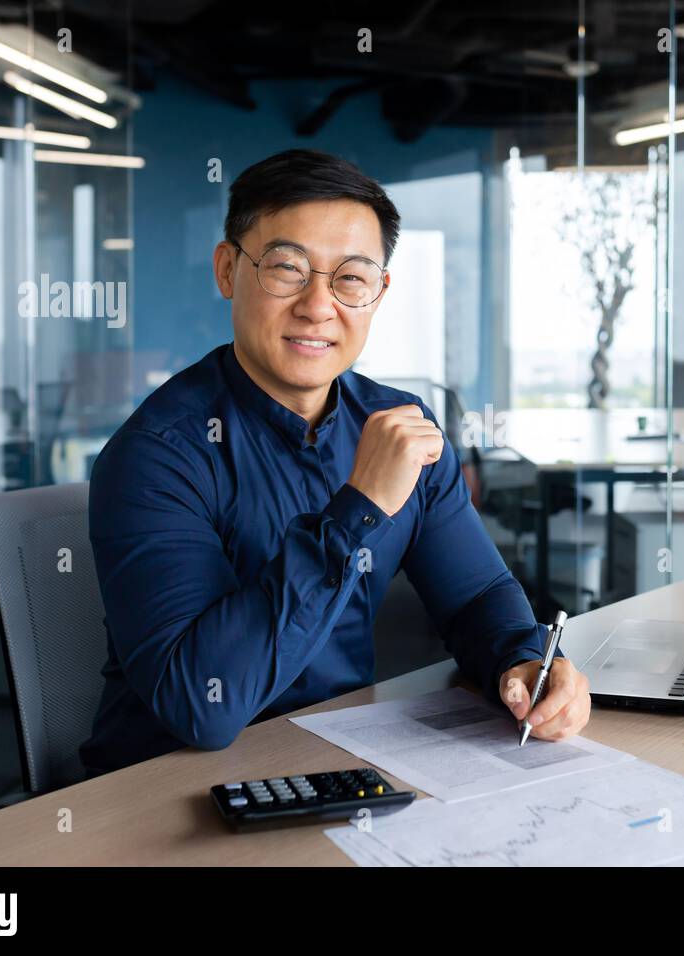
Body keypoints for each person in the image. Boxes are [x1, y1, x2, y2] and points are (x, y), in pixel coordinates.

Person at [80, 149, 591, 774]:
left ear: (378, 292)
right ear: (226, 270)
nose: (319, 306)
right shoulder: (158, 456)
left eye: (350, 277)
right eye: (287, 269)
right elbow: (202, 707)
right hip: (165, 786)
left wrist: (525, 661)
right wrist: (360, 508)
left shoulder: (399, 427)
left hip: (335, 758)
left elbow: (475, 595)